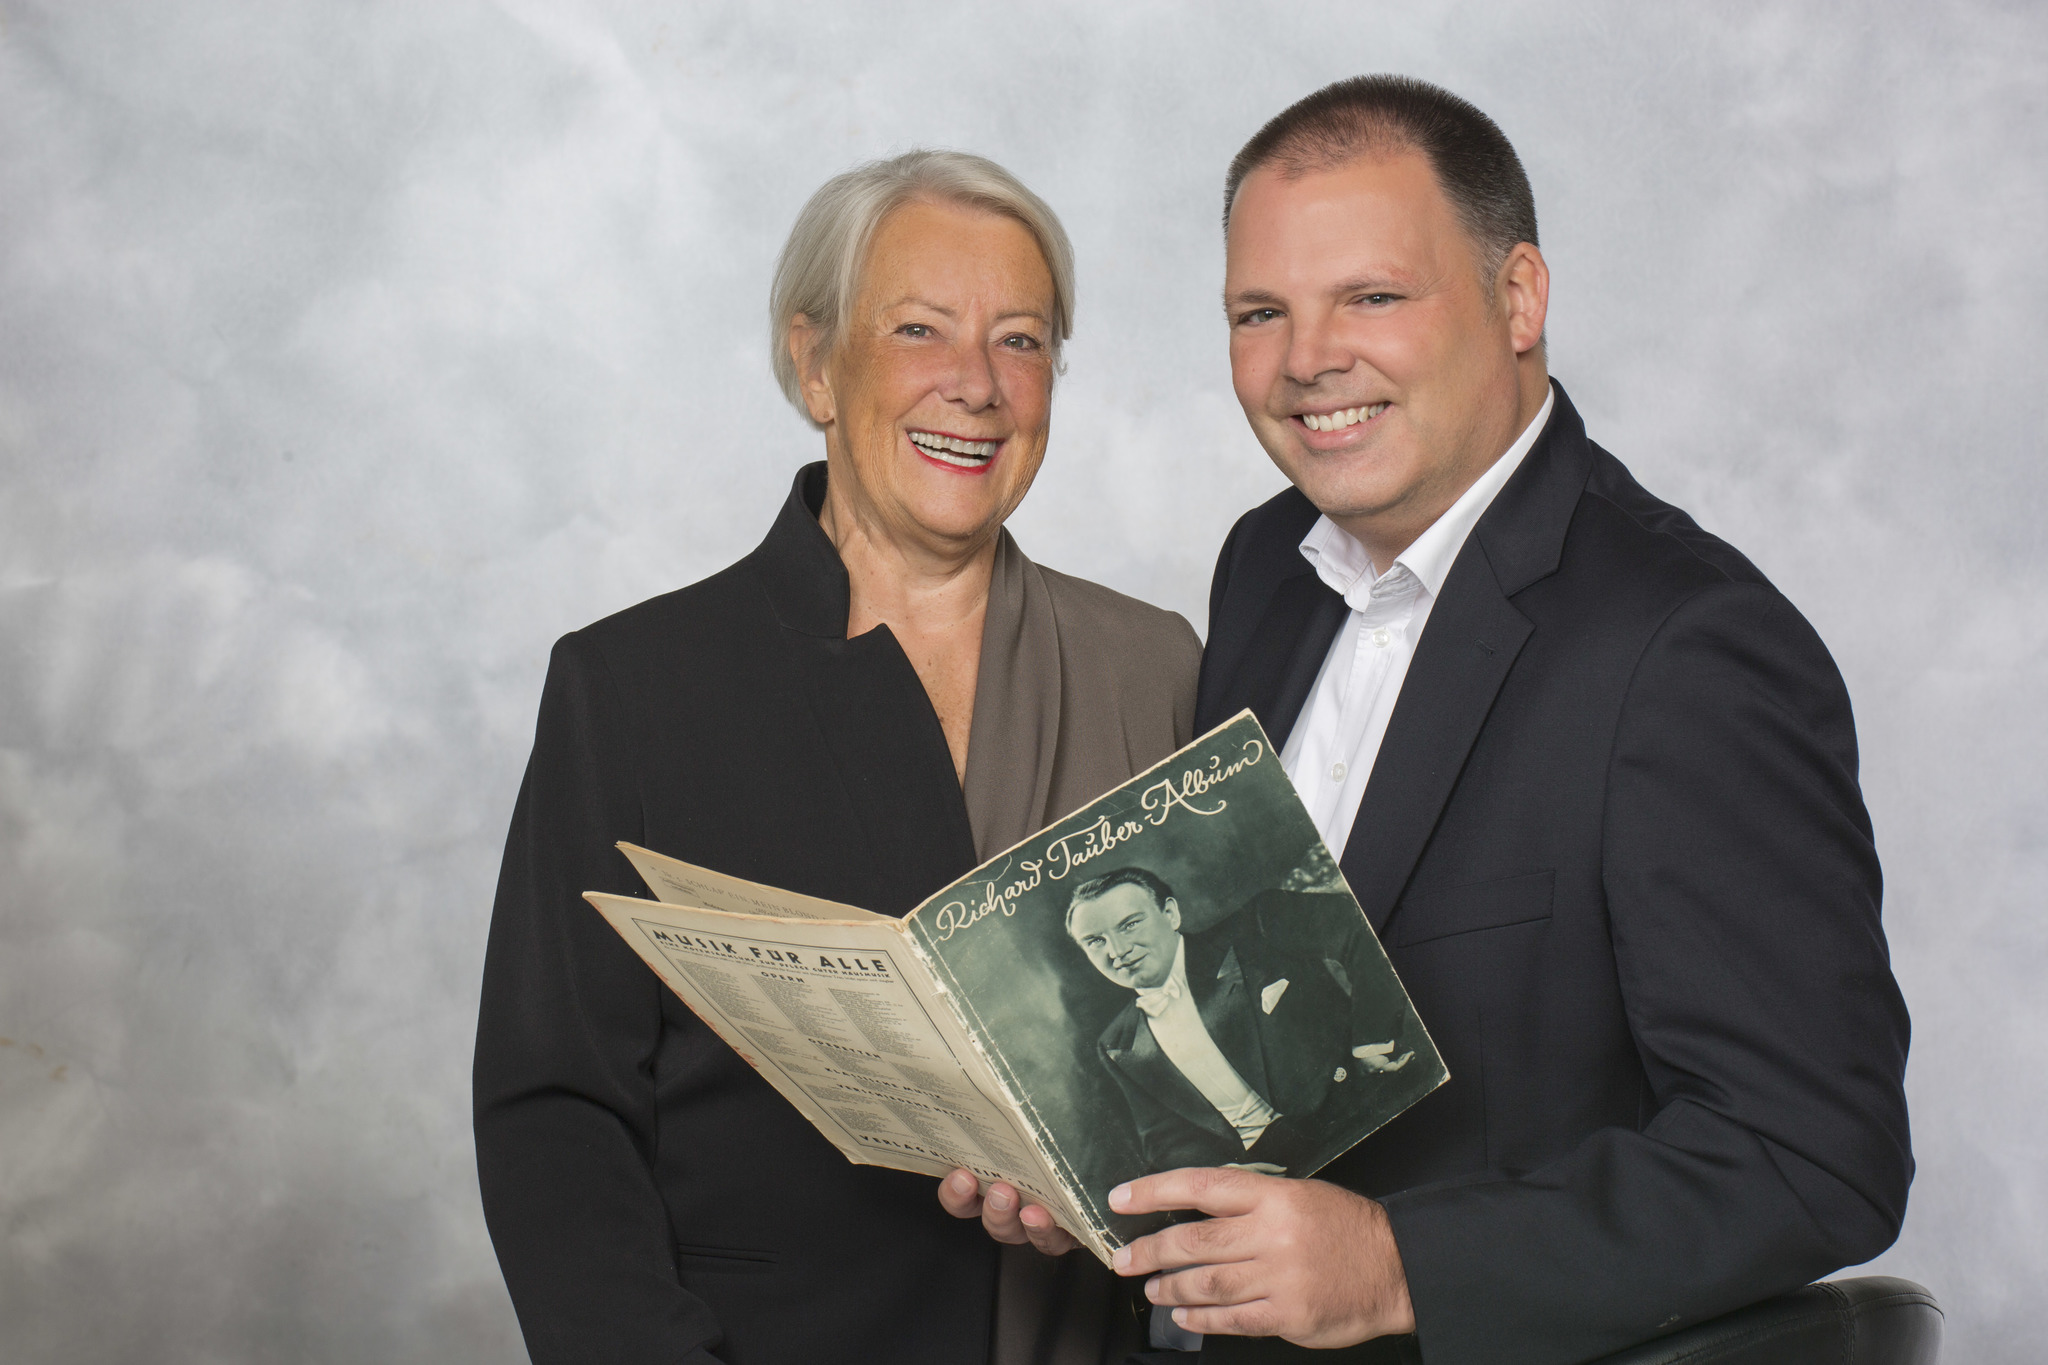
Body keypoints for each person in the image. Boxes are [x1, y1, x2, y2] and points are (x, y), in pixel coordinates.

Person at [973, 76, 1914, 1364]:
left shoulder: (1687, 649)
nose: (1306, 359)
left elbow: (1813, 1154)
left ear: (1516, 298)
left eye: (1371, 296)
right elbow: (1277, 1007)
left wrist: (1397, 1267)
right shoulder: (1266, 567)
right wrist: (1094, 1157)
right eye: (1261, 312)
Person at [473, 149, 1200, 1365]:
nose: (974, 385)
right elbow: (558, 1114)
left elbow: (1217, 1047)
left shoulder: (1154, 665)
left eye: (1020, 341)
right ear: (815, 363)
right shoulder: (636, 687)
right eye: (920, 329)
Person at [1065, 868, 1418, 1178]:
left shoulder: (1259, 923)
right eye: (1095, 941)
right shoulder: (1116, 1043)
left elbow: (1359, 932)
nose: (1117, 950)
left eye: (1130, 924)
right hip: (1268, 1178)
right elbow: (1163, 1137)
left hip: (1357, 1114)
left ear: (1170, 913)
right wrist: (1224, 1173)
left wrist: (1372, 1042)